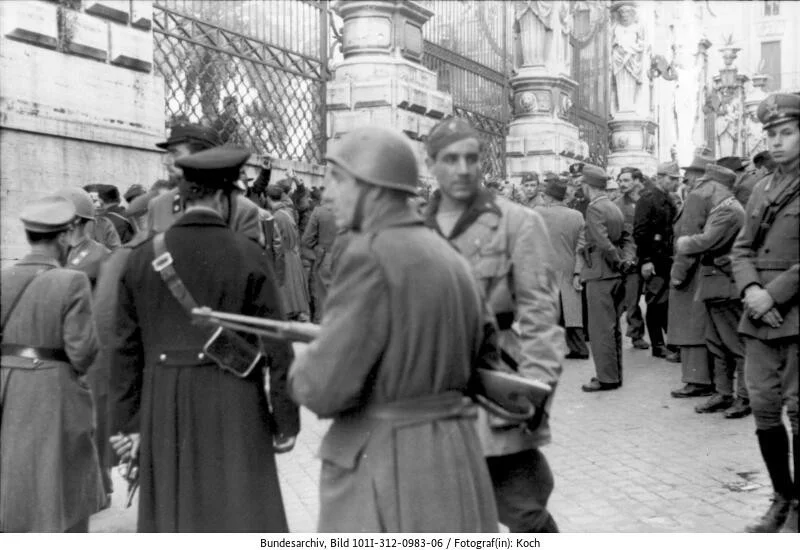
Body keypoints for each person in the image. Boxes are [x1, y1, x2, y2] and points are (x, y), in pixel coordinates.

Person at [290, 126, 499, 532]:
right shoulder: (448, 253)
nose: (328, 194)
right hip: (456, 460)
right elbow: (485, 358)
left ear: (372, 186)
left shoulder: (368, 253)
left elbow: (325, 387)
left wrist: (305, 366)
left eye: (337, 178)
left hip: (387, 468)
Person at [110, 146, 299, 532]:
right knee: (240, 510)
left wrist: (129, 425)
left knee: (175, 515)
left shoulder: (142, 256)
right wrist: (285, 421)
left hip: (163, 401)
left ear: (183, 196)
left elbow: (124, 349)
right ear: (225, 196)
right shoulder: (248, 254)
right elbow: (278, 343)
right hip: (235, 397)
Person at [423, 118, 564, 532]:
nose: (463, 168)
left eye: (471, 157)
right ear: (431, 164)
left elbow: (541, 319)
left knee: (524, 512)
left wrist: (533, 396)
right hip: (430, 396)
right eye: (450, 159)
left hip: (495, 390)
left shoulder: (517, 222)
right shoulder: (413, 227)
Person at [1, 195, 104, 532]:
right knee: (61, 480)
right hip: (54, 389)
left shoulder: (5, 276)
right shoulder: (71, 281)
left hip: (7, 386)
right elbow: (82, 352)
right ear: (62, 237)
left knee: (15, 476)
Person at [731, 93, 799, 533]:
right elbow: (741, 248)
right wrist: (752, 288)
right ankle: (782, 495)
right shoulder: (761, 187)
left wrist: (772, 294)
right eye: (771, 134)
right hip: (759, 316)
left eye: (787, 133)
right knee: (764, 407)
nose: (777, 142)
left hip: (794, 310)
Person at [674, 164, 750, 419]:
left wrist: (684, 243)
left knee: (735, 345)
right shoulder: (724, 208)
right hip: (714, 284)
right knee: (716, 343)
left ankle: (744, 397)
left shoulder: (727, 211)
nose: (700, 187)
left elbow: (706, 241)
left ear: (717, 186)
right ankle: (724, 393)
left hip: (725, 285)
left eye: (706, 183)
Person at [53, 186, 114, 502]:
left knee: (95, 419)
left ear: (75, 221)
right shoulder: (57, 254)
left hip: (92, 347)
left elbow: (109, 306)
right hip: (62, 347)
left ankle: (100, 486)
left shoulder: (100, 255)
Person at [146, 122, 264, 245]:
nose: (166, 161)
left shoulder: (243, 211)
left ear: (203, 156)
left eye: (175, 153)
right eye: (167, 154)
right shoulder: (158, 205)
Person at [578, 165, 635, 392]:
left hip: (600, 273)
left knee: (600, 328)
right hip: (614, 274)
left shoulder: (594, 209)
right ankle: (614, 374)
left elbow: (602, 241)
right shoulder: (614, 207)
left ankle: (606, 378)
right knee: (612, 328)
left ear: (587, 186)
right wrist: (626, 260)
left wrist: (616, 259)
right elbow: (627, 238)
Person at [669, 150, 716, 398]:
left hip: (691, 272)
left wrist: (678, 274)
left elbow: (687, 239)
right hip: (704, 270)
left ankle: (697, 379)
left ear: (700, 174)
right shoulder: (712, 194)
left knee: (689, 325)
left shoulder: (697, 197)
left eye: (690, 172)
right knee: (699, 323)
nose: (685, 177)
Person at [534, 173, 589, 359]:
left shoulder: (538, 213)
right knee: (571, 310)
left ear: (548, 197)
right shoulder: (577, 216)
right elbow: (581, 248)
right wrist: (577, 272)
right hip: (568, 267)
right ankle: (579, 348)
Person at [634, 162, 680, 361]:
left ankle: (670, 342)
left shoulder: (668, 199)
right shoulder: (648, 199)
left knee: (665, 301)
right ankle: (657, 345)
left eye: (677, 179)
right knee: (655, 301)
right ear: (660, 177)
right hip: (653, 257)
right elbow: (641, 232)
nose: (675, 182)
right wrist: (645, 260)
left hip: (666, 257)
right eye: (672, 178)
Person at [266, 185, 311, 321]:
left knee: (287, 290)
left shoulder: (277, 216)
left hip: (285, 256)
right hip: (293, 254)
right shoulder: (288, 212)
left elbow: (278, 242)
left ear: (268, 198)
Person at [615, 167, 648, 350]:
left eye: (626, 180)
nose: (622, 184)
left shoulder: (644, 202)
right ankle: (626, 333)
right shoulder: (617, 204)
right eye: (620, 180)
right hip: (623, 258)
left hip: (642, 256)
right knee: (625, 299)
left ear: (636, 181)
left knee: (634, 299)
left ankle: (636, 334)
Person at [301, 200, 338, 323]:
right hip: (349, 258)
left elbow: (306, 240)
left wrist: (316, 252)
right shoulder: (354, 210)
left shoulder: (319, 212)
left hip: (325, 259)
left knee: (321, 300)